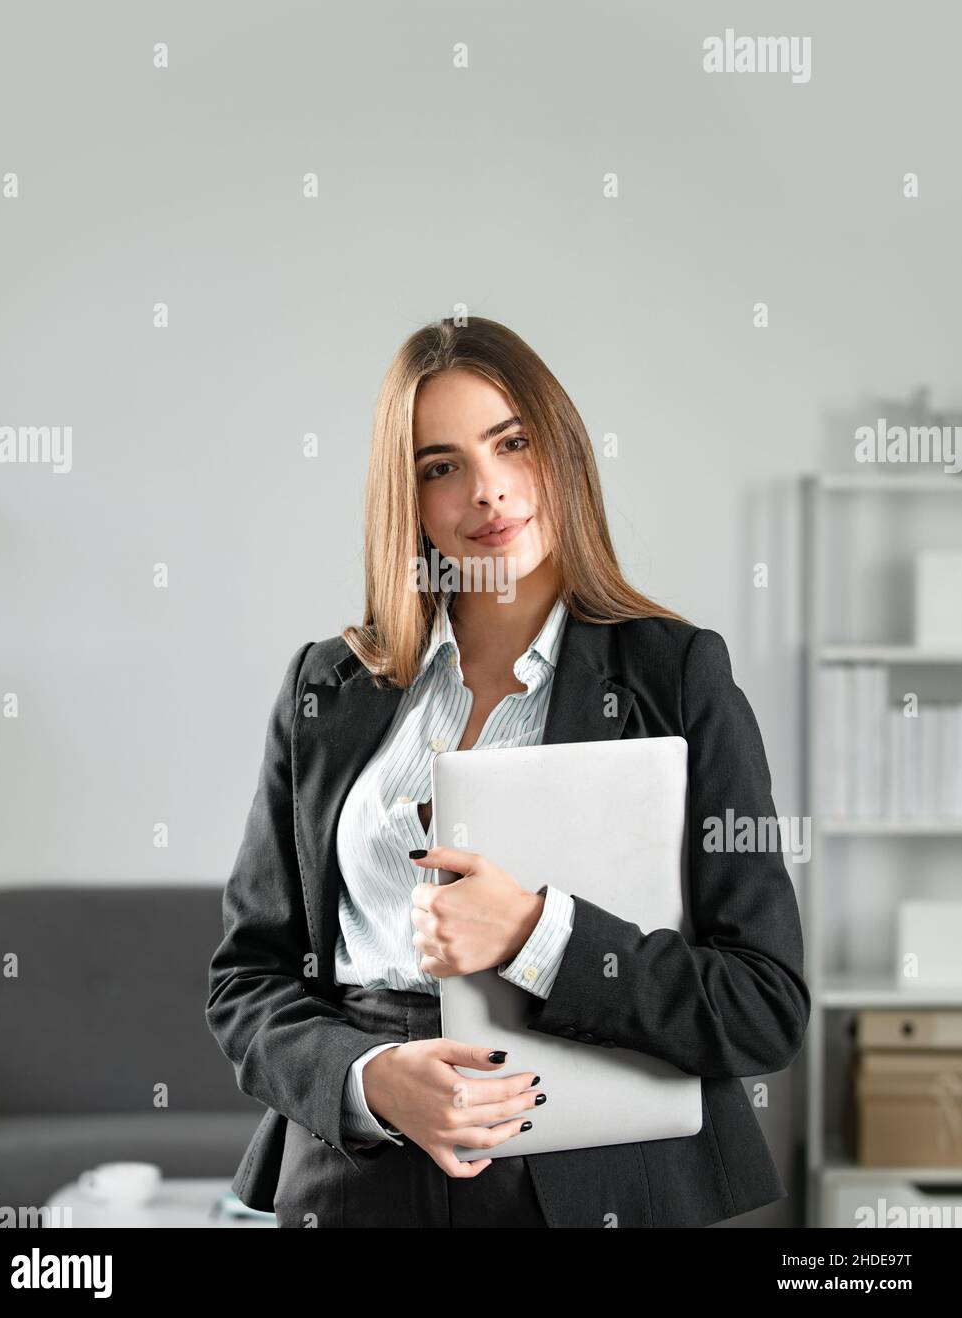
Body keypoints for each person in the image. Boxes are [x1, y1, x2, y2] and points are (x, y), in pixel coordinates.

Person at [206, 315, 810, 1228]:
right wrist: (368, 1082)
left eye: (512, 443)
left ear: (560, 451)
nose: (487, 493)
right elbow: (247, 979)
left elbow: (761, 1007)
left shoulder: (675, 675)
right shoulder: (326, 685)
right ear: (405, 498)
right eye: (439, 466)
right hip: (359, 1176)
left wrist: (536, 931)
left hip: (601, 1180)